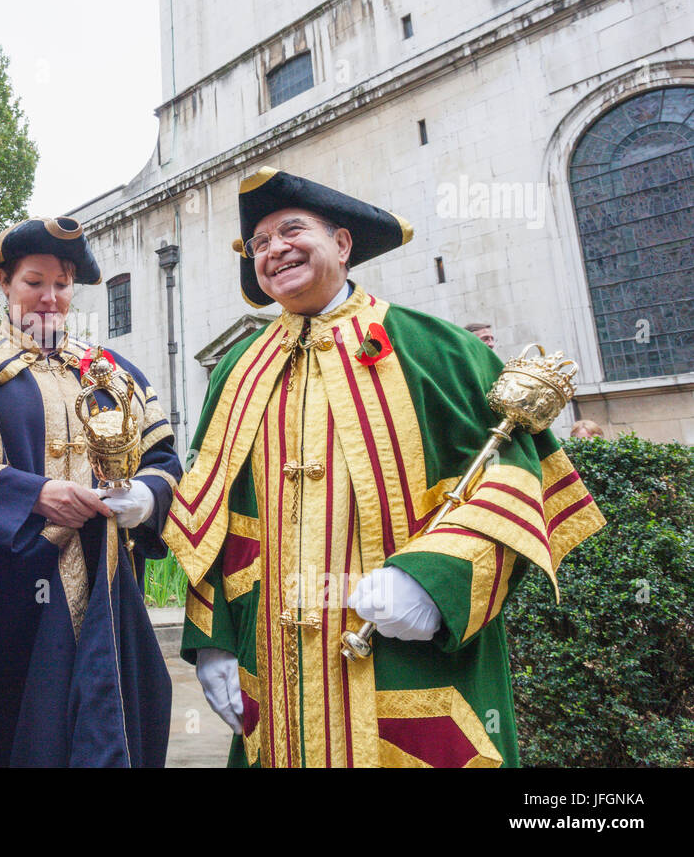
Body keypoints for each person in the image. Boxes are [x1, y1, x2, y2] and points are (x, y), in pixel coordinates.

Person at [164, 167, 604, 768]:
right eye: (258, 244)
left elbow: (517, 476)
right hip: (272, 663)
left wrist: (435, 578)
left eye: (292, 230)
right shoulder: (235, 370)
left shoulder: (439, 349)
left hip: (412, 659)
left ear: (343, 245)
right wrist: (212, 642)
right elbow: (215, 515)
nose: (273, 250)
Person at [0, 217, 181, 766]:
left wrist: (144, 499)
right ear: (4, 285)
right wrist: (33, 496)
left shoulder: (112, 375)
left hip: (107, 585)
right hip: (2, 592)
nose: (50, 298)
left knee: (114, 717)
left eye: (62, 284)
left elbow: (164, 461)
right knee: (14, 731)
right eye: (34, 281)